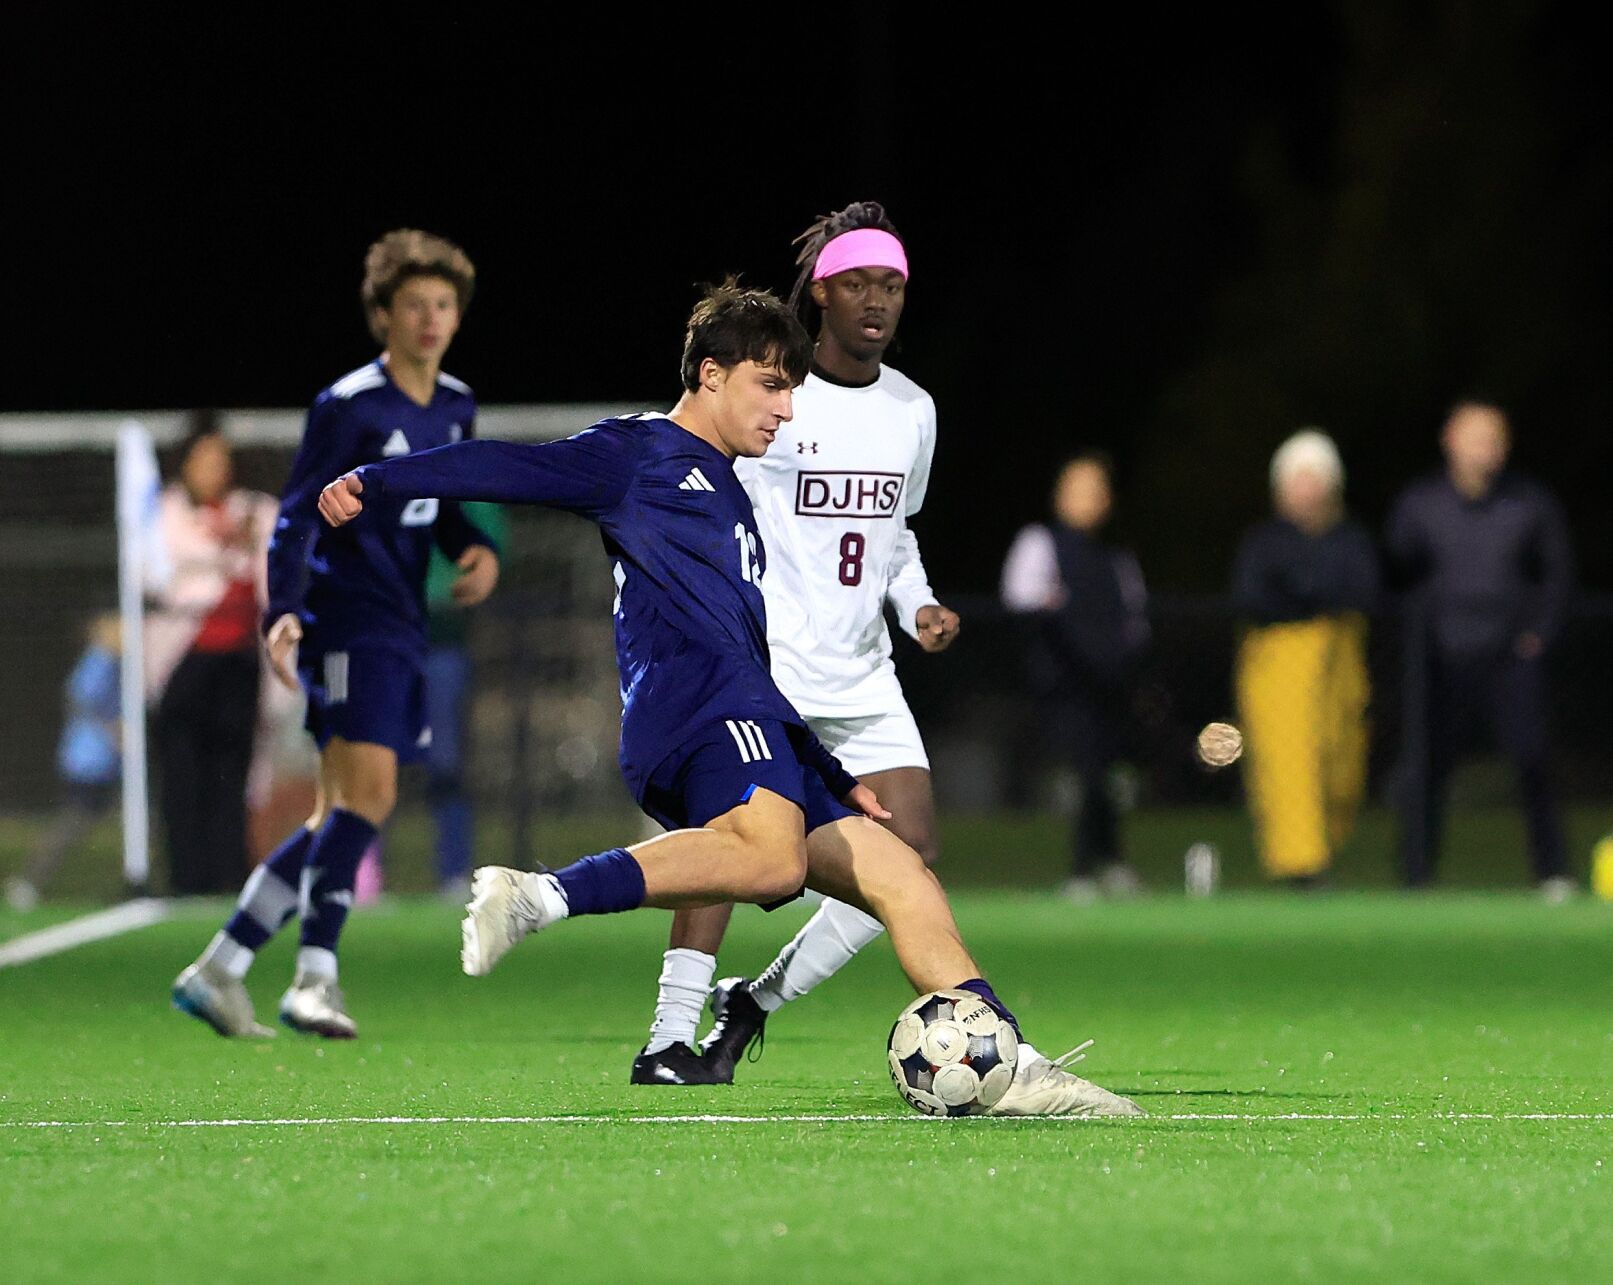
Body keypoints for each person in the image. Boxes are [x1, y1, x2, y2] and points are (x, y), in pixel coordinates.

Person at [319, 281, 1141, 1117]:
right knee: (772, 858)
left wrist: (823, 767)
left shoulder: (732, 491)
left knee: (904, 877)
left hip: (750, 712)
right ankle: (537, 895)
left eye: (790, 386)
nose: (786, 408)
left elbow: (751, 655)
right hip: (693, 708)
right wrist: (376, 481)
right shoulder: (638, 452)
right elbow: (506, 464)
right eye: (771, 384)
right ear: (711, 375)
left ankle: (1015, 1064)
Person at [636, 202, 962, 1086]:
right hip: (766, 665)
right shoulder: (773, 391)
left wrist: (918, 604)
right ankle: (668, 1033)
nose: (877, 300)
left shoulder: (912, 410)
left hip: (862, 673)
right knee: (732, 845)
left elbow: (896, 534)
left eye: (891, 285)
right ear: (821, 291)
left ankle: (754, 1002)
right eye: (859, 282)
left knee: (914, 847)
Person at [172, 229, 501, 1039]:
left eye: (443, 304)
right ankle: (314, 976)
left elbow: (444, 493)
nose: (429, 317)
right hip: (346, 617)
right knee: (370, 796)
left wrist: (474, 544)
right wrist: (282, 608)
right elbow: (291, 517)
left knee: (339, 811)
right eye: (414, 304)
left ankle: (220, 966)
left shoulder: (455, 404)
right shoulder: (349, 404)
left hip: (401, 622)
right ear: (382, 315)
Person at [1387, 401, 1575, 895]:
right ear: (1449, 439)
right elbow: (1396, 574)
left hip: (1509, 656)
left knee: (1533, 760)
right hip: (1440, 657)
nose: (1484, 448)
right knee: (1426, 767)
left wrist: (1539, 635)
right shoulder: (1419, 503)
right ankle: (1416, 874)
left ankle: (1553, 872)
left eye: (1494, 438)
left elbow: (1556, 575)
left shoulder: (1529, 503)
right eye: (1474, 437)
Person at [1232, 430, 1378, 887]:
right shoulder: (1263, 542)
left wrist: (1304, 591)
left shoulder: (1349, 539)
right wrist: (1309, 596)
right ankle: (1300, 865)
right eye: (1298, 479)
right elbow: (1252, 596)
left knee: (1339, 764)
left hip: (1339, 663)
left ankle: (1323, 851)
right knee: (1288, 762)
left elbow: (1362, 591)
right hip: (1280, 663)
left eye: (1315, 479)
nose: (1306, 489)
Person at [1001, 454, 1150, 900]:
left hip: (1111, 685)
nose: (1091, 500)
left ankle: (1112, 861)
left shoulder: (1116, 556)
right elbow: (1021, 599)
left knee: (1109, 775)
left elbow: (1136, 619)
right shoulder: (1040, 542)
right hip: (1064, 686)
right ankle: (1082, 869)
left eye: (1098, 490)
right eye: (1080, 489)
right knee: (1082, 774)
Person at [145, 421, 277, 895]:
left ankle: (227, 879)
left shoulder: (254, 510)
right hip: (185, 663)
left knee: (231, 775)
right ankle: (186, 879)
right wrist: (226, 549)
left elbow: (272, 562)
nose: (213, 470)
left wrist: (238, 545)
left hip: (238, 662)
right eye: (203, 460)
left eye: (220, 460)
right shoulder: (165, 511)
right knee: (183, 775)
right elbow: (156, 571)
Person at [6, 614, 122, 911]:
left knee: (103, 819)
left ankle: (124, 880)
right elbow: (80, 696)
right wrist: (112, 729)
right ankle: (30, 881)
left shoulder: (112, 660)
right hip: (89, 760)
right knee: (74, 821)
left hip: (102, 760)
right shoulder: (100, 659)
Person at [425, 501, 508, 900]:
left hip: (442, 637)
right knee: (375, 756)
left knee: (446, 760)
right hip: (386, 634)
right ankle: (365, 877)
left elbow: (489, 543)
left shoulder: (462, 483)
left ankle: (455, 872)